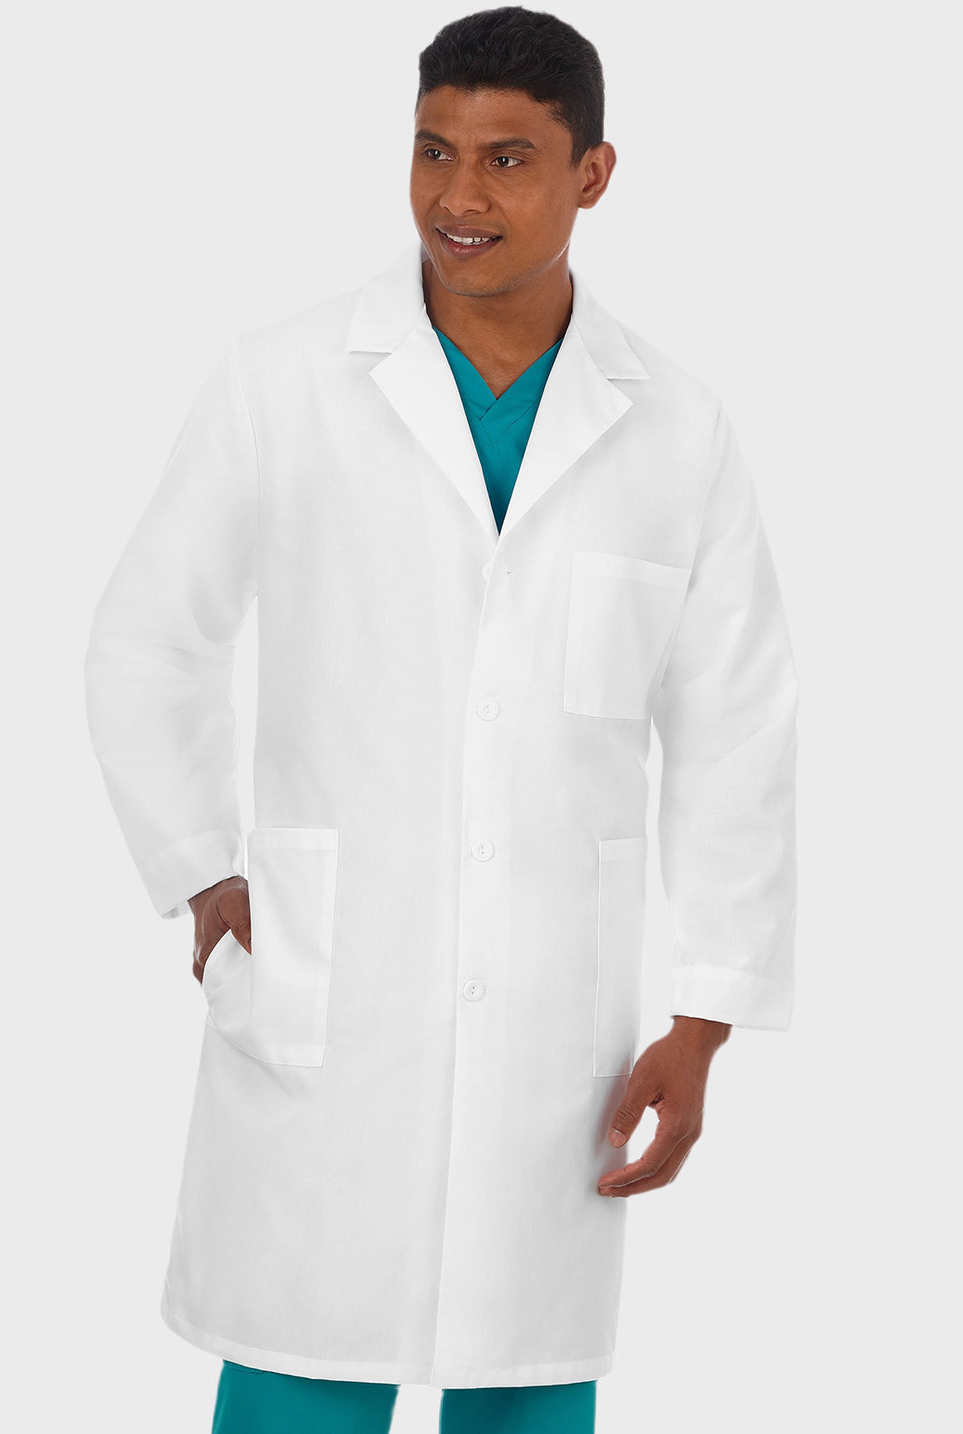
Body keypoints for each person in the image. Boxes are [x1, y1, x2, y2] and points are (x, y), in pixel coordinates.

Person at [84, 7, 799, 1432]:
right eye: (432, 151)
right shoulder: (284, 382)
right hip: (324, 1001)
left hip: (552, 1033)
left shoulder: (677, 430)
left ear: (593, 174)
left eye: (508, 160)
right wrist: (201, 867)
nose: (458, 196)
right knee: (296, 1370)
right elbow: (147, 637)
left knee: (525, 1380)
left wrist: (706, 1015)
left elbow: (737, 726)